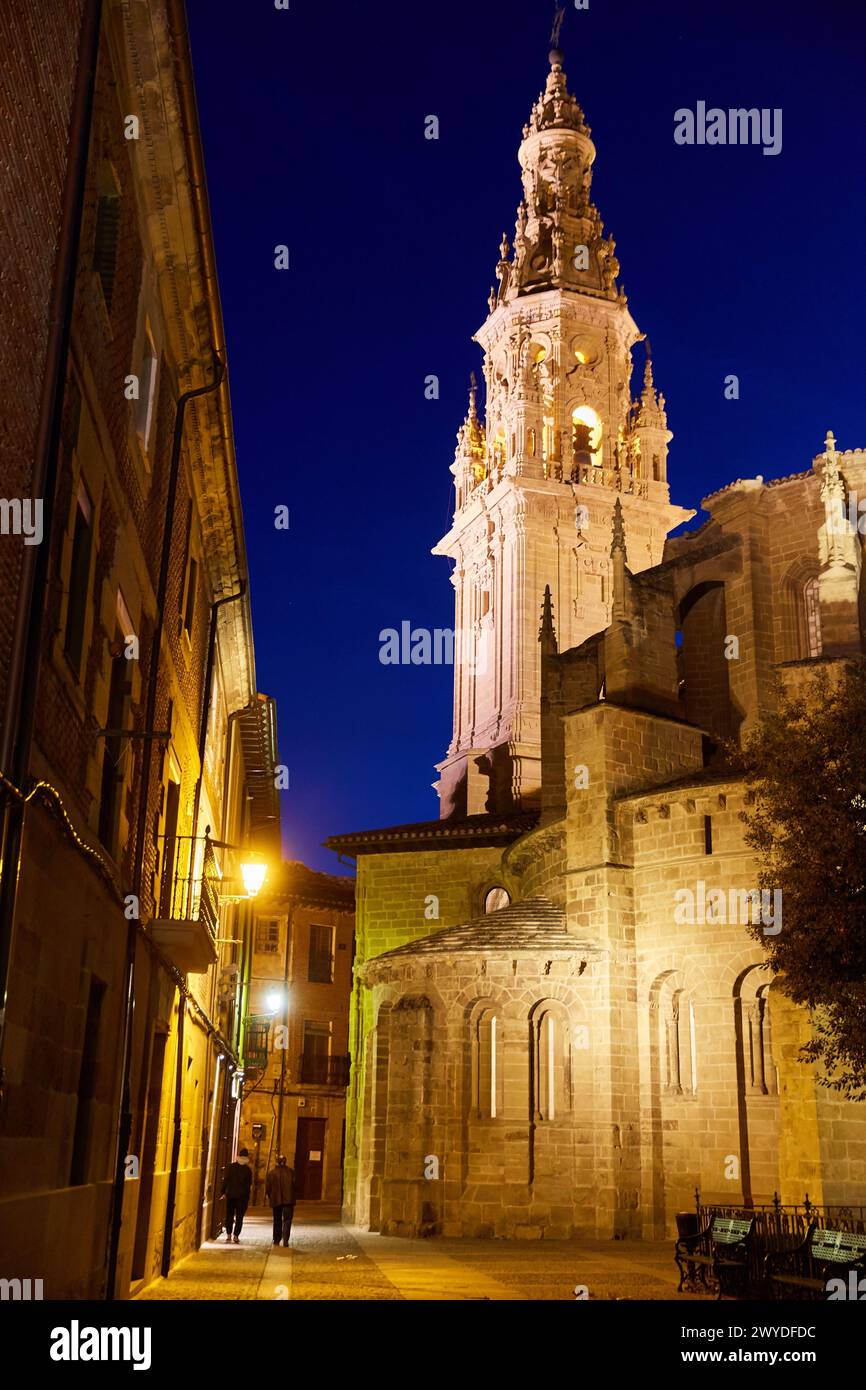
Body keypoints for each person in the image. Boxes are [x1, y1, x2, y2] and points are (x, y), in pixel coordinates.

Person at [221, 1148, 252, 1243]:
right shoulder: (248, 1170)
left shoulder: (231, 1167)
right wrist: (247, 1197)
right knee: (239, 1217)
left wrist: (222, 1192)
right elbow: (248, 1185)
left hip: (231, 1195)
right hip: (242, 1197)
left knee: (229, 1215)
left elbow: (226, 1180)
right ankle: (236, 1235)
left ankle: (229, 1234)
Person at [265, 1153, 296, 1247]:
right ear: (285, 1162)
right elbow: (295, 1186)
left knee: (277, 1220)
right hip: (289, 1200)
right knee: (287, 1220)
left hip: (276, 1199)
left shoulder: (271, 1173)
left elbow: (268, 1188)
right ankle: (286, 1240)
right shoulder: (291, 1172)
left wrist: (271, 1196)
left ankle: (276, 1239)